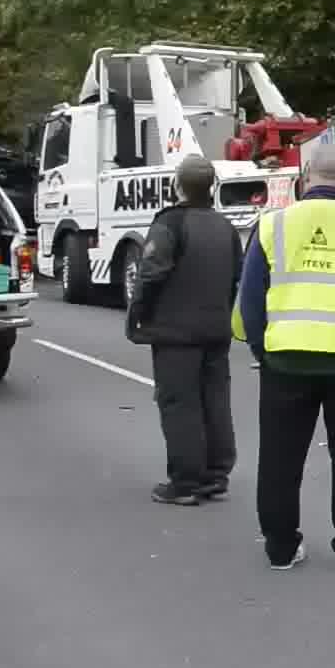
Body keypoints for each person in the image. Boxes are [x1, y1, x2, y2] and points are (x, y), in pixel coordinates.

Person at [233, 142, 335, 572]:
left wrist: (261, 349)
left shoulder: (272, 227)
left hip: (285, 361)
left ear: (305, 177)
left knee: (279, 459)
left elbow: (251, 299)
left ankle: (281, 549)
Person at [128, 155, 244, 506]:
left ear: (177, 185)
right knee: (215, 401)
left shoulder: (170, 224)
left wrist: (138, 314)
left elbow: (152, 272)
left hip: (176, 331)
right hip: (215, 328)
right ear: (211, 187)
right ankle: (215, 474)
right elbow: (234, 277)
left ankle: (186, 482)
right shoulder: (224, 227)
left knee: (180, 403)